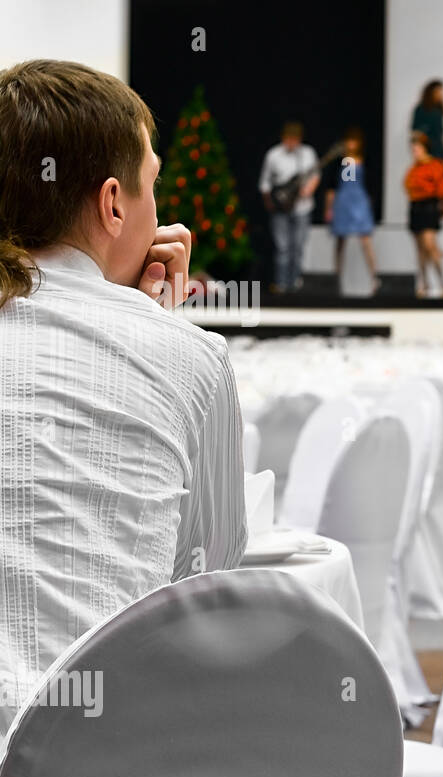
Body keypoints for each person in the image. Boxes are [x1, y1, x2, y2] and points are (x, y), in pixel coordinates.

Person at [0, 60, 247, 732]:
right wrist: (155, 328)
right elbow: (206, 577)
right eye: (152, 188)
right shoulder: (190, 357)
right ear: (114, 203)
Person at [259, 121, 319, 294]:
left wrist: (309, 189)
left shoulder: (307, 154)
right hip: (280, 208)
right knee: (283, 247)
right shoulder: (274, 155)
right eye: (288, 139)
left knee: (298, 246)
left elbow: (315, 175)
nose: (291, 143)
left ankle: (295, 282)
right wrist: (270, 202)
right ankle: (281, 284)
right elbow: (265, 182)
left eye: (295, 139)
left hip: (302, 207)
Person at [325, 126, 379, 296]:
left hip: (359, 201)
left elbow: (370, 185)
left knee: (365, 240)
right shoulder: (340, 162)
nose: (351, 144)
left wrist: (369, 204)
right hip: (343, 202)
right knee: (341, 241)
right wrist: (329, 208)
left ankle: (374, 277)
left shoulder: (364, 160)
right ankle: (337, 277)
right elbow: (332, 187)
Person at [405, 132, 443, 298]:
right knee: (420, 250)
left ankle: (442, 283)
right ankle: (424, 283)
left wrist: (441, 201)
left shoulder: (435, 165)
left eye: (416, 148)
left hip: (429, 206)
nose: (414, 151)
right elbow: (409, 187)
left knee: (430, 244)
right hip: (416, 207)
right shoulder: (413, 169)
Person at [411, 80, 443, 163]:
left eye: (441, 92)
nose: (440, 94)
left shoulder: (438, 110)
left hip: (439, 151)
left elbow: (440, 135)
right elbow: (416, 130)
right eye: (437, 91)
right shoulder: (421, 109)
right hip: (426, 151)